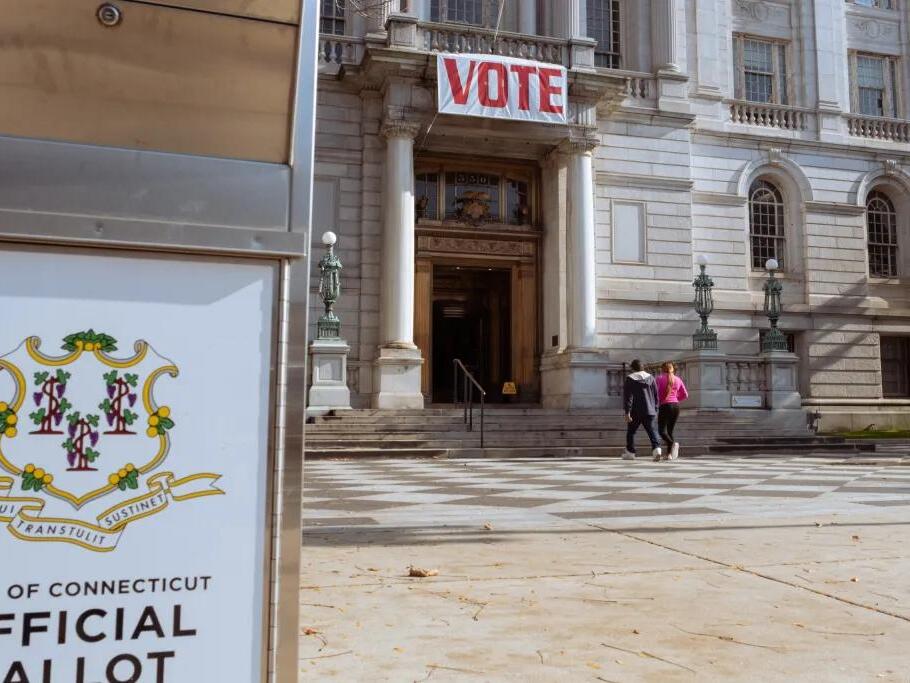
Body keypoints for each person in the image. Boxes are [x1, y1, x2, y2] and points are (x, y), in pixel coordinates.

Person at [622, 359, 661, 461]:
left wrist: (627, 412)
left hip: (636, 410)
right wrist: (656, 408)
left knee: (631, 432)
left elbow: (628, 397)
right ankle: (656, 449)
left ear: (632, 368)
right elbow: (656, 395)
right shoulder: (651, 378)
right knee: (652, 431)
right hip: (650, 410)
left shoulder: (630, 379)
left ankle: (630, 452)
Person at [656, 361, 689, 461]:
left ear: (662, 369)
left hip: (665, 406)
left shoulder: (659, 378)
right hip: (675, 407)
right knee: (670, 431)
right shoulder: (678, 379)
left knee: (661, 431)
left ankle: (671, 443)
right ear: (672, 369)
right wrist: (675, 399)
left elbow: (655, 393)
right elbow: (685, 395)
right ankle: (669, 454)